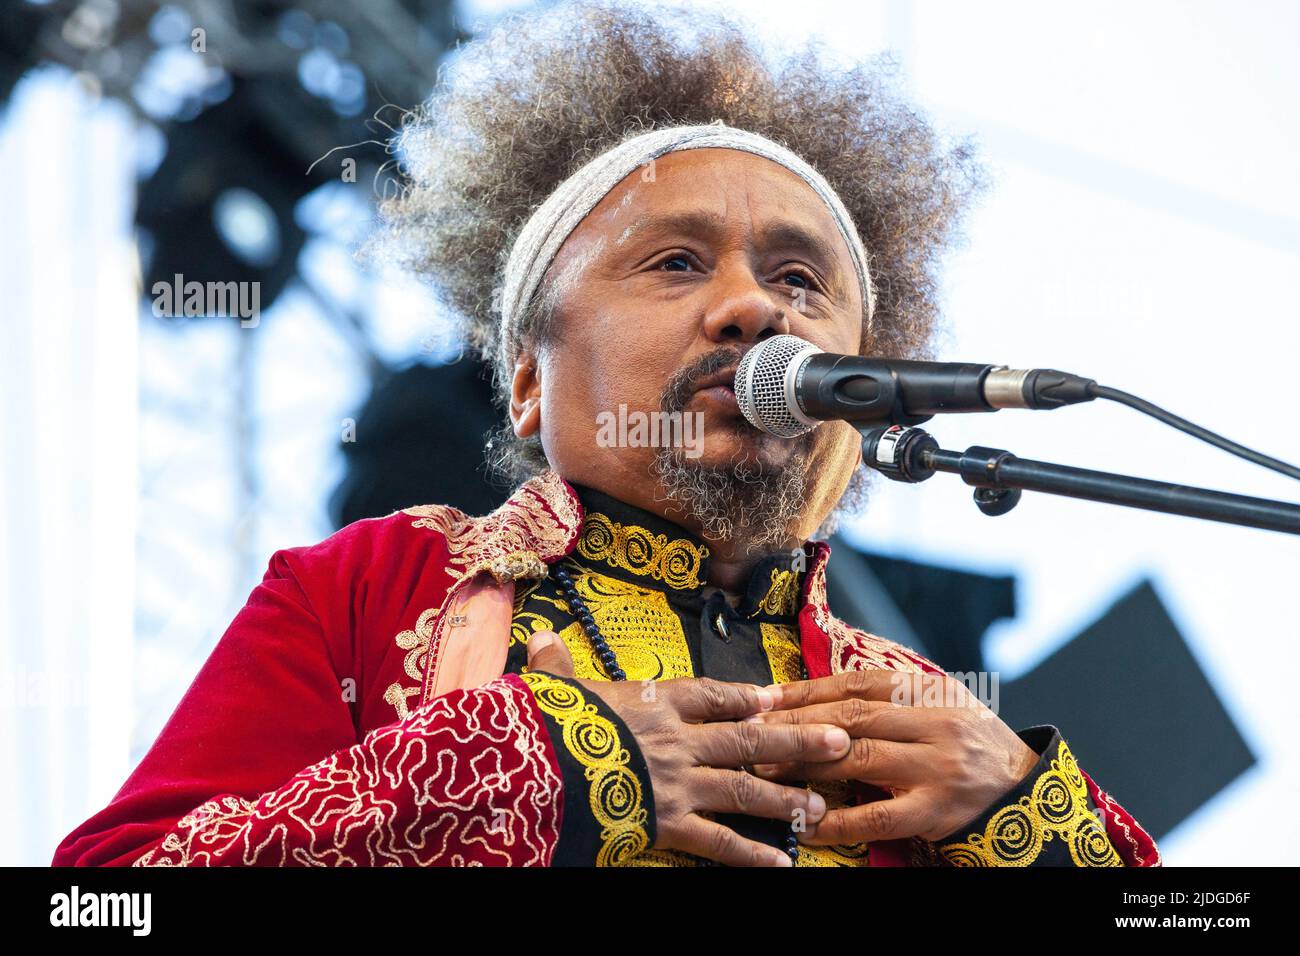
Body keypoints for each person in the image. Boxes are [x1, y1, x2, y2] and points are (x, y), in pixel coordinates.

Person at [53, 0, 1158, 868]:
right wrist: (542, 773)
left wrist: (1036, 817)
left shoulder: (925, 706)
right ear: (528, 381)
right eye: (677, 262)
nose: (755, 310)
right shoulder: (369, 587)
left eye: (800, 279)